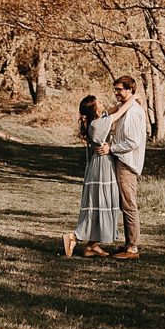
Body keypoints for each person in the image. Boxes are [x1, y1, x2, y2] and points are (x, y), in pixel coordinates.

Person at [62, 89, 137, 258]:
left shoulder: (95, 121)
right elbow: (119, 113)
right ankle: (75, 237)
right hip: (102, 167)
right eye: (99, 103)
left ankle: (92, 245)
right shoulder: (98, 124)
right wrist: (133, 98)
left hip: (100, 164)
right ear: (95, 110)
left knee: (100, 203)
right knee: (102, 201)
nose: (103, 105)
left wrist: (121, 102)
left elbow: (111, 110)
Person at [96, 75, 147, 260]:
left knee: (129, 204)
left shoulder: (134, 111)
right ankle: (128, 244)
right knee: (123, 203)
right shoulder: (125, 107)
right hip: (121, 160)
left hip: (127, 162)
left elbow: (133, 141)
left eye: (119, 89)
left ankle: (133, 248)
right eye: (115, 89)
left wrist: (111, 148)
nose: (116, 92)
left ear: (129, 90)